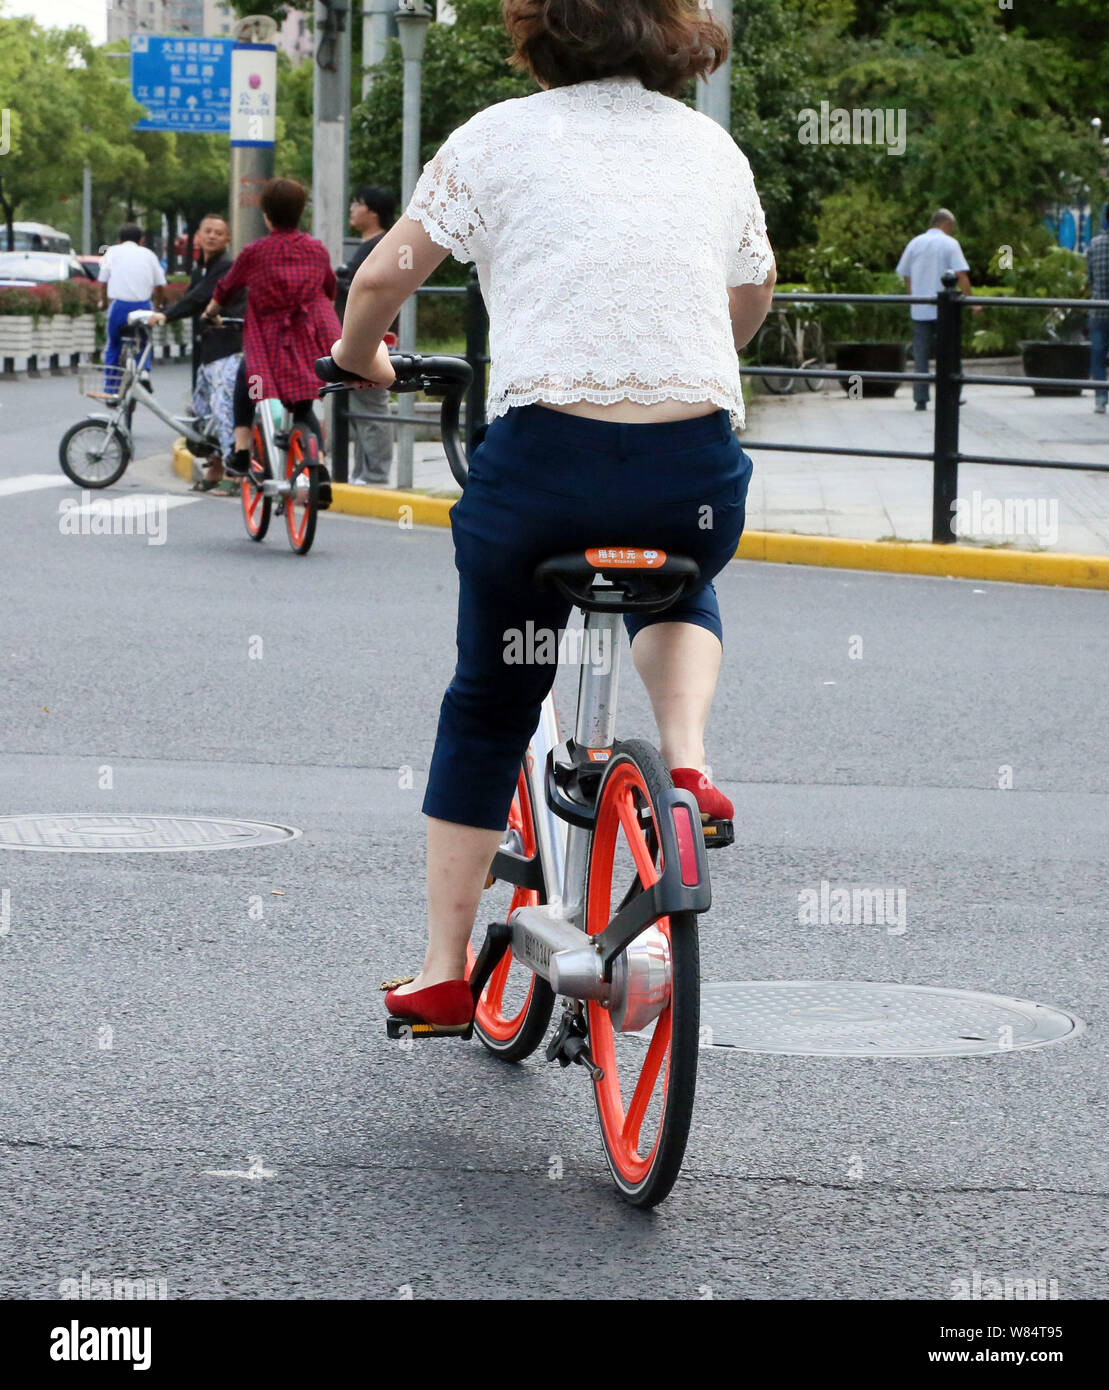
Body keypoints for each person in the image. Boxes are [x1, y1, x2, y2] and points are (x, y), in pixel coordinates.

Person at [331, 0, 776, 1028]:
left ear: (535, 36)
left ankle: (444, 966)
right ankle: (690, 764)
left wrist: (361, 358)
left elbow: (386, 273)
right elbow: (749, 295)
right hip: (692, 475)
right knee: (680, 581)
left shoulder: (497, 136)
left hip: (544, 477)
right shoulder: (712, 146)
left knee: (491, 698)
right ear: (673, 37)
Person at [202, 178, 341, 500]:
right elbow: (330, 287)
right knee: (304, 401)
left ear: (266, 215)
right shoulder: (315, 249)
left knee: (247, 381)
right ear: (299, 213)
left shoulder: (256, 251)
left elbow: (227, 288)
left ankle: (240, 450)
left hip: (266, 337)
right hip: (308, 335)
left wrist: (210, 312)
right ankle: (317, 464)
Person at [147, 214, 246, 488]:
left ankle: (232, 474)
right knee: (204, 413)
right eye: (208, 232)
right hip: (208, 349)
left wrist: (166, 315)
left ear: (227, 239)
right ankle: (214, 468)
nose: (212, 236)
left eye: (218, 232)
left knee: (224, 410)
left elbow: (199, 298)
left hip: (227, 347)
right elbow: (194, 295)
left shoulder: (225, 266)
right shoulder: (201, 268)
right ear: (198, 237)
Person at [338, 186, 398, 485]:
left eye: (357, 203)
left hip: (375, 336)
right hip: (364, 335)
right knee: (361, 402)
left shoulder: (382, 244)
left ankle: (374, 474)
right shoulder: (373, 244)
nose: (352, 208)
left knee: (372, 403)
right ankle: (363, 472)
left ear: (373, 212)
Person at [896, 209, 977, 411]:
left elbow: (906, 274)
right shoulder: (950, 244)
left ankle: (920, 398)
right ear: (947, 224)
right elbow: (961, 275)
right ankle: (952, 394)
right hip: (945, 310)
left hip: (920, 308)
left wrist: (912, 296)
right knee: (949, 353)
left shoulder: (915, 243)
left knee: (920, 355)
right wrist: (974, 301)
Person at [97, 224, 167, 389]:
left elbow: (103, 282)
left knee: (114, 345)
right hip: (143, 307)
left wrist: (104, 302)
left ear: (119, 240)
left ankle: (111, 389)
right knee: (145, 340)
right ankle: (144, 371)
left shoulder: (111, 252)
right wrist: (158, 307)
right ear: (141, 241)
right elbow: (160, 286)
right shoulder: (149, 254)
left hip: (119, 307)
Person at [1086, 202, 1109, 415]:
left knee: (1098, 354)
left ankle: (1101, 399)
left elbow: (1091, 279)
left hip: (1099, 308)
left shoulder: (1095, 244)